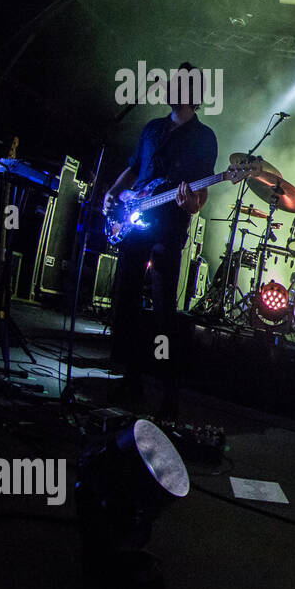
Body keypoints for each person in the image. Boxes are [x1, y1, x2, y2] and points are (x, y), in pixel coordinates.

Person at [103, 64, 218, 421]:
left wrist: (193, 204)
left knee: (165, 309)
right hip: (136, 222)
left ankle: (170, 390)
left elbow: (200, 192)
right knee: (126, 300)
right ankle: (131, 377)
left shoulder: (204, 137)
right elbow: (135, 168)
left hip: (169, 226)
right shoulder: (152, 127)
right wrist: (112, 192)